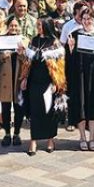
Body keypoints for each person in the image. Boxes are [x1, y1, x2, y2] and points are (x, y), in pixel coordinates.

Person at [19, 17, 66, 155]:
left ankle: (50, 140)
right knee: (35, 111)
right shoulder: (34, 40)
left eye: (40, 24)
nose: (37, 27)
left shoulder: (55, 43)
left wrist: (57, 83)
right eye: (37, 24)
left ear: (46, 25)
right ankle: (33, 141)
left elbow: (60, 67)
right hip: (34, 81)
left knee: (49, 111)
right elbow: (28, 61)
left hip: (49, 81)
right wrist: (24, 78)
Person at [65, 8, 94, 151]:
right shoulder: (75, 35)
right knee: (81, 105)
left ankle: (92, 138)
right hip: (80, 76)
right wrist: (70, 50)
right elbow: (69, 59)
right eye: (84, 19)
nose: (86, 21)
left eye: (89, 19)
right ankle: (82, 137)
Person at [0, 17, 30, 147]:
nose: (14, 28)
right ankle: (6, 134)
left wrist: (22, 54)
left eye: (16, 26)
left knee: (18, 107)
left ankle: (16, 133)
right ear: (7, 26)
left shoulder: (25, 40)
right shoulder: (0, 40)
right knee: (5, 107)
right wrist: (2, 56)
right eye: (11, 26)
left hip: (18, 77)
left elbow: (29, 60)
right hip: (5, 77)